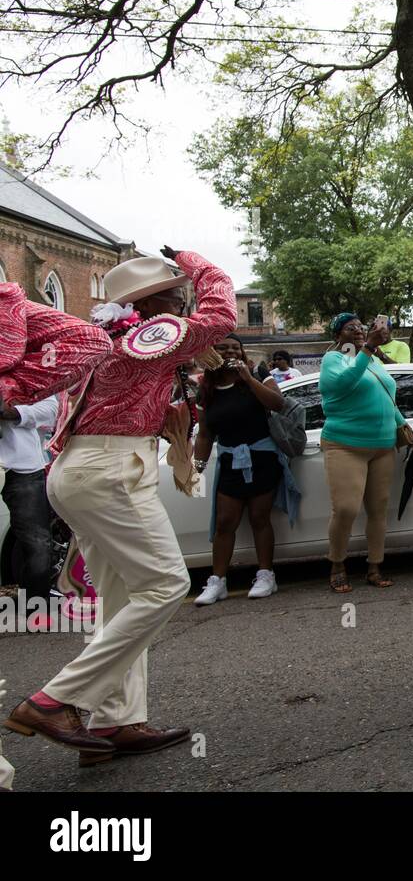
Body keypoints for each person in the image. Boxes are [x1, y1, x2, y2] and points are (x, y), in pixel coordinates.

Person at [6, 248, 233, 766]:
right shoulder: (146, 340)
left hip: (82, 471)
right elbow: (220, 314)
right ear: (147, 304)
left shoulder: (108, 340)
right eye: (175, 293)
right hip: (109, 472)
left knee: (117, 601)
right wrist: (195, 261)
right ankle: (54, 701)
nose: (184, 300)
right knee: (166, 585)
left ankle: (115, 723)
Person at [0, 283, 113, 776]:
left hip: (23, 463)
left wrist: (12, 401)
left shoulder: (30, 343)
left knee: (35, 536)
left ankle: (37, 601)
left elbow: (51, 407)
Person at [192, 334, 298, 605]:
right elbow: (204, 435)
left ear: (241, 351)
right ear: (212, 354)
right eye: (222, 348)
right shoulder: (206, 387)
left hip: (262, 457)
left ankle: (266, 575)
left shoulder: (259, 374)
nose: (230, 352)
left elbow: (277, 403)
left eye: (234, 348)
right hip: (230, 461)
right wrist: (196, 470)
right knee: (225, 522)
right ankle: (217, 582)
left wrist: (247, 379)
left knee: (259, 518)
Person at [319, 313, 409, 592]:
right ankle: (337, 563)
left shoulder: (373, 361)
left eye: (360, 326)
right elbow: (343, 385)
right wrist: (368, 347)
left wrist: (402, 423)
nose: (358, 330)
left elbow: (386, 395)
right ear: (338, 336)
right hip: (345, 445)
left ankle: (374, 566)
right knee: (346, 508)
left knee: (378, 510)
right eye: (350, 328)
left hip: (382, 446)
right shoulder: (333, 359)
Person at [0, 394, 59, 601]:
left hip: (22, 466)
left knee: (37, 544)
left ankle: (35, 608)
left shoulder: (26, 367)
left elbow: (52, 410)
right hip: (21, 466)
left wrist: (14, 412)